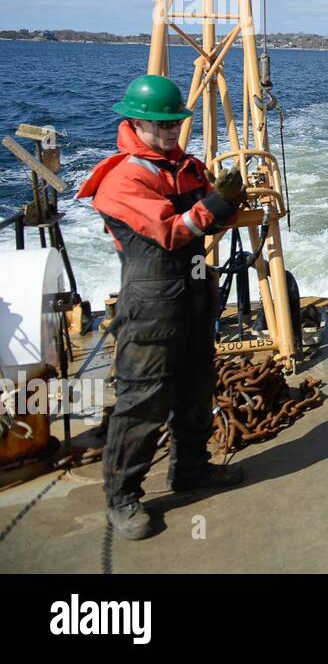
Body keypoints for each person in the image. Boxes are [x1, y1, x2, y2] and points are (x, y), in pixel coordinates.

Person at [77, 74, 246, 540]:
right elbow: (173, 230)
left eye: (175, 123)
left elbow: (211, 218)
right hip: (151, 307)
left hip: (194, 298)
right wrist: (218, 201)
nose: (171, 131)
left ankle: (191, 468)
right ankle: (123, 497)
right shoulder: (122, 179)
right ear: (135, 122)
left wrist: (229, 197)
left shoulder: (187, 167)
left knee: (196, 387)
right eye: (161, 124)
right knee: (143, 400)